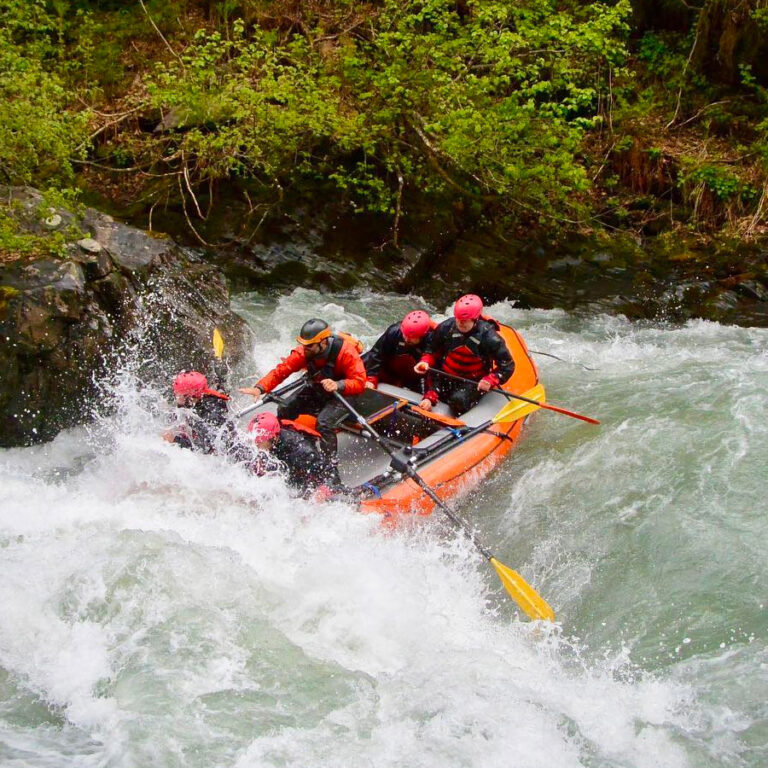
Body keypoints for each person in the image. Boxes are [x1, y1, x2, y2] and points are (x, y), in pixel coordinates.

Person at [239, 319, 366, 487]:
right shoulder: (305, 352)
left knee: (324, 423)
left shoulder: (346, 352)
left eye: (309, 346)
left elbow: (360, 382)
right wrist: (260, 388)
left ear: (323, 342)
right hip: (319, 390)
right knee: (285, 408)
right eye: (303, 345)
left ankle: (331, 472)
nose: (305, 349)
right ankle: (284, 450)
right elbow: (281, 371)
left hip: (345, 395)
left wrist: (339, 384)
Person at [413, 295, 514, 415]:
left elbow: (507, 365)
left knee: (458, 400)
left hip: (472, 381)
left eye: (465, 320)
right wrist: (425, 361)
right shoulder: (446, 327)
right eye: (458, 318)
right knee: (426, 389)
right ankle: (428, 401)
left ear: (475, 319)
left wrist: (491, 379)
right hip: (446, 374)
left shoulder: (489, 337)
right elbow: (431, 349)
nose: (460, 323)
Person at [247, 411, 341, 494]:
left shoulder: (300, 449)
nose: (255, 444)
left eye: (259, 441)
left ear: (274, 438)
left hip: (301, 475)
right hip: (285, 468)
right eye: (254, 440)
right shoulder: (259, 446)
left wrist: (324, 490)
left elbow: (331, 473)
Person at [362, 310, 437, 410]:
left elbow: (435, 372)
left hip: (415, 378)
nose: (406, 339)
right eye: (405, 335)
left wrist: (429, 397)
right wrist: (371, 378)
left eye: (411, 337)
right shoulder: (394, 332)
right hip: (391, 370)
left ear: (422, 336)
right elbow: (376, 354)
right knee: (363, 363)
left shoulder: (432, 340)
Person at [163, 370, 238, 454]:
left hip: (229, 454)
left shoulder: (209, 412)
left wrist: (176, 441)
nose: (176, 398)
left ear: (189, 396)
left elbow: (204, 447)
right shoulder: (194, 403)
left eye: (178, 395)